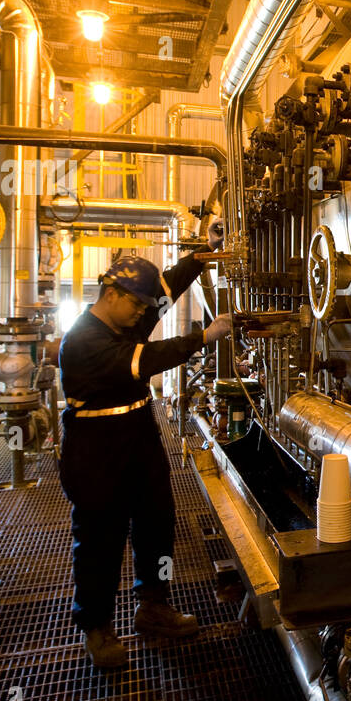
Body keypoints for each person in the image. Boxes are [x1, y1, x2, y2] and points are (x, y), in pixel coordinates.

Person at [57, 228, 233, 668]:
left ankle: (154, 606)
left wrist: (201, 257)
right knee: (99, 540)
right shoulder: (82, 341)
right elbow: (144, 360)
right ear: (110, 292)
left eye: (143, 305)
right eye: (135, 303)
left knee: (157, 526)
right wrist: (202, 338)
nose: (143, 312)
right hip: (97, 451)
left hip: (139, 437)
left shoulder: (127, 314)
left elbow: (165, 290)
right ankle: (96, 627)